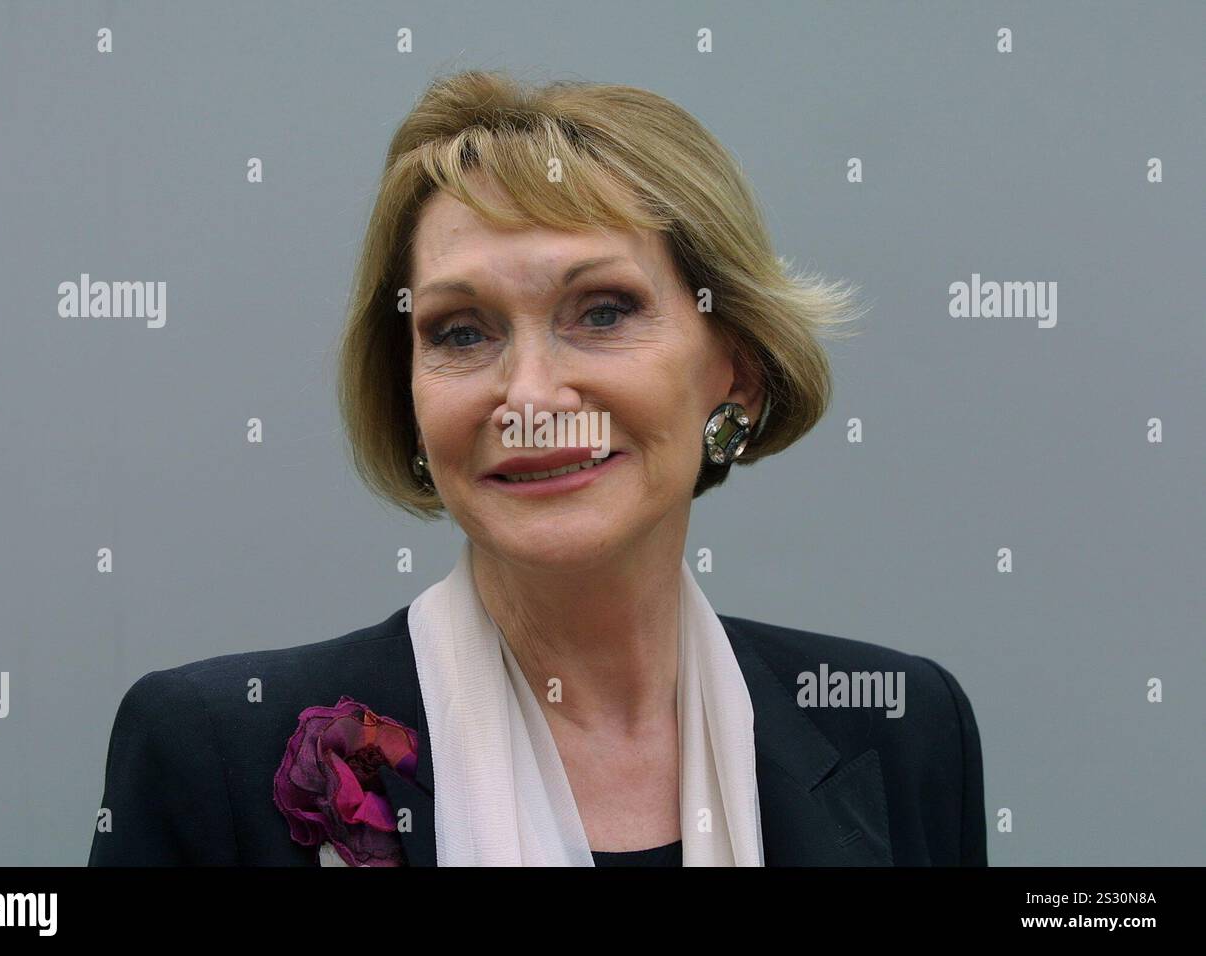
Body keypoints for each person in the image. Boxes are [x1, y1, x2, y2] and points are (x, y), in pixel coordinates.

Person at [88, 69, 986, 867]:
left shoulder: (903, 727)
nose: (529, 396)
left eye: (602, 312)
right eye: (461, 333)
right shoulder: (211, 751)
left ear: (737, 372)